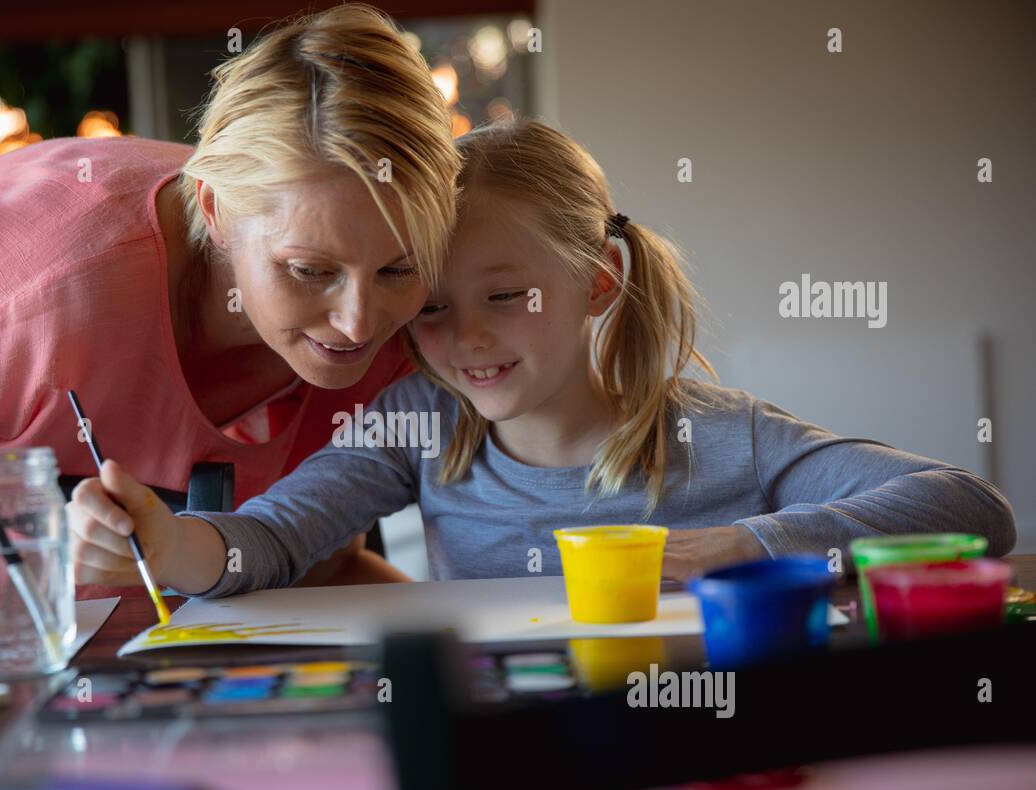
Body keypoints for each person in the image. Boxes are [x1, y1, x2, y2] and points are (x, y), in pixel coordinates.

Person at [0, 4, 460, 638]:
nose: (361, 320)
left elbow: (317, 562)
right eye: (310, 271)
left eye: (398, 268)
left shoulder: (409, 315)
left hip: (49, 584)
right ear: (215, 211)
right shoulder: (46, 295)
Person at [65, 118, 1016, 594]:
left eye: (507, 296)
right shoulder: (416, 428)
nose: (466, 338)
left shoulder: (726, 438)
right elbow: (271, 538)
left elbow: (969, 509)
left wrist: (737, 549)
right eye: (431, 306)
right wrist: (161, 541)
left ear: (597, 281)